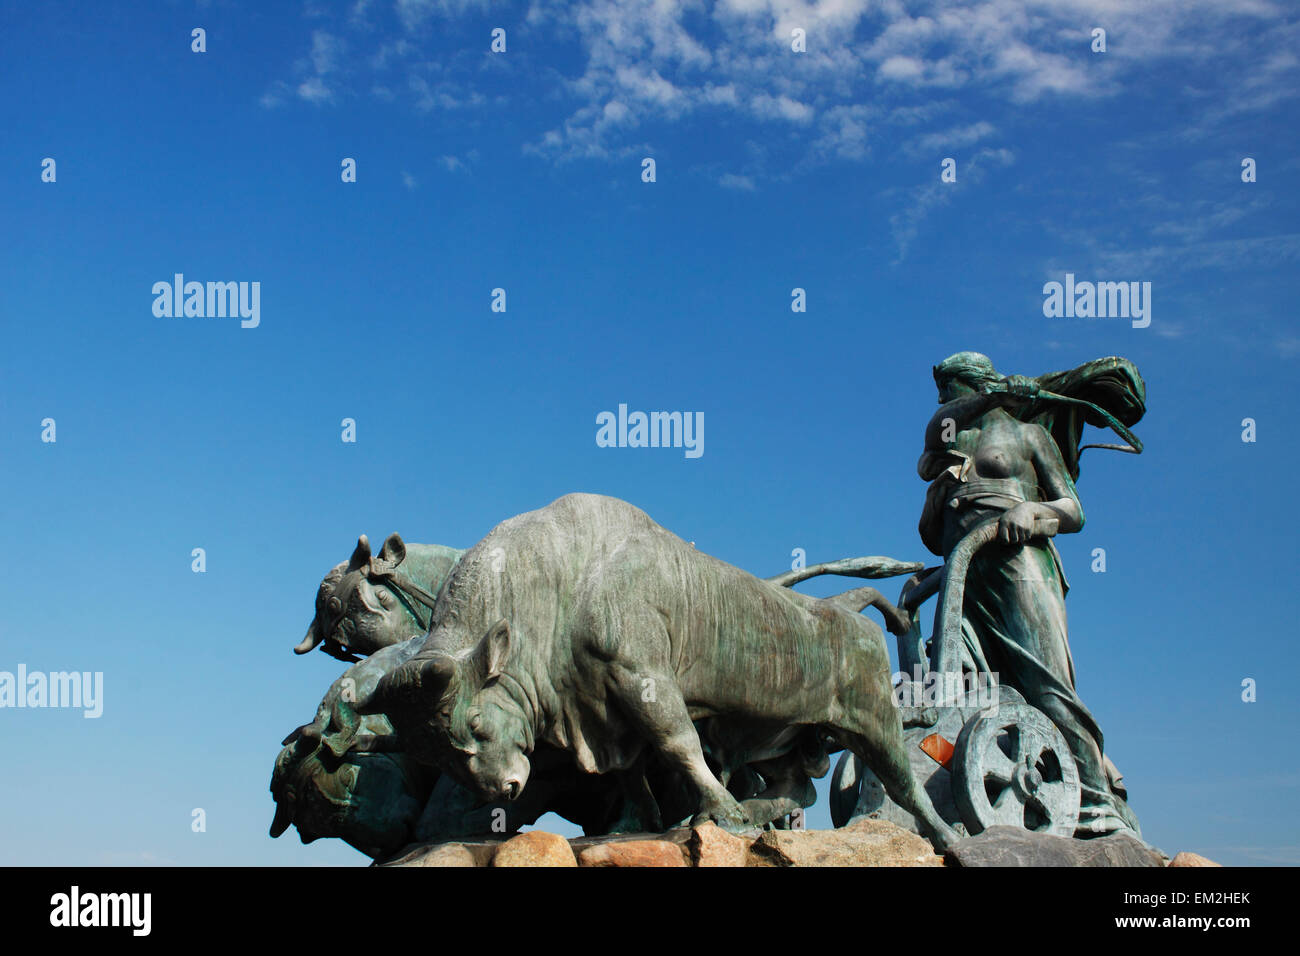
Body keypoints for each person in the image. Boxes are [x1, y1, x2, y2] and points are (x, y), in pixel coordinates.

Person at [917, 351, 1144, 836]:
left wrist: (1035, 514)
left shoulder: (1028, 436)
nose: (942, 401)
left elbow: (1074, 511)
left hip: (1020, 566)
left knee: (1046, 685)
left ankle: (1095, 798)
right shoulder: (954, 437)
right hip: (964, 570)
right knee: (957, 677)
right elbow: (935, 431)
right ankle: (966, 791)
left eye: (948, 389)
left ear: (973, 383)